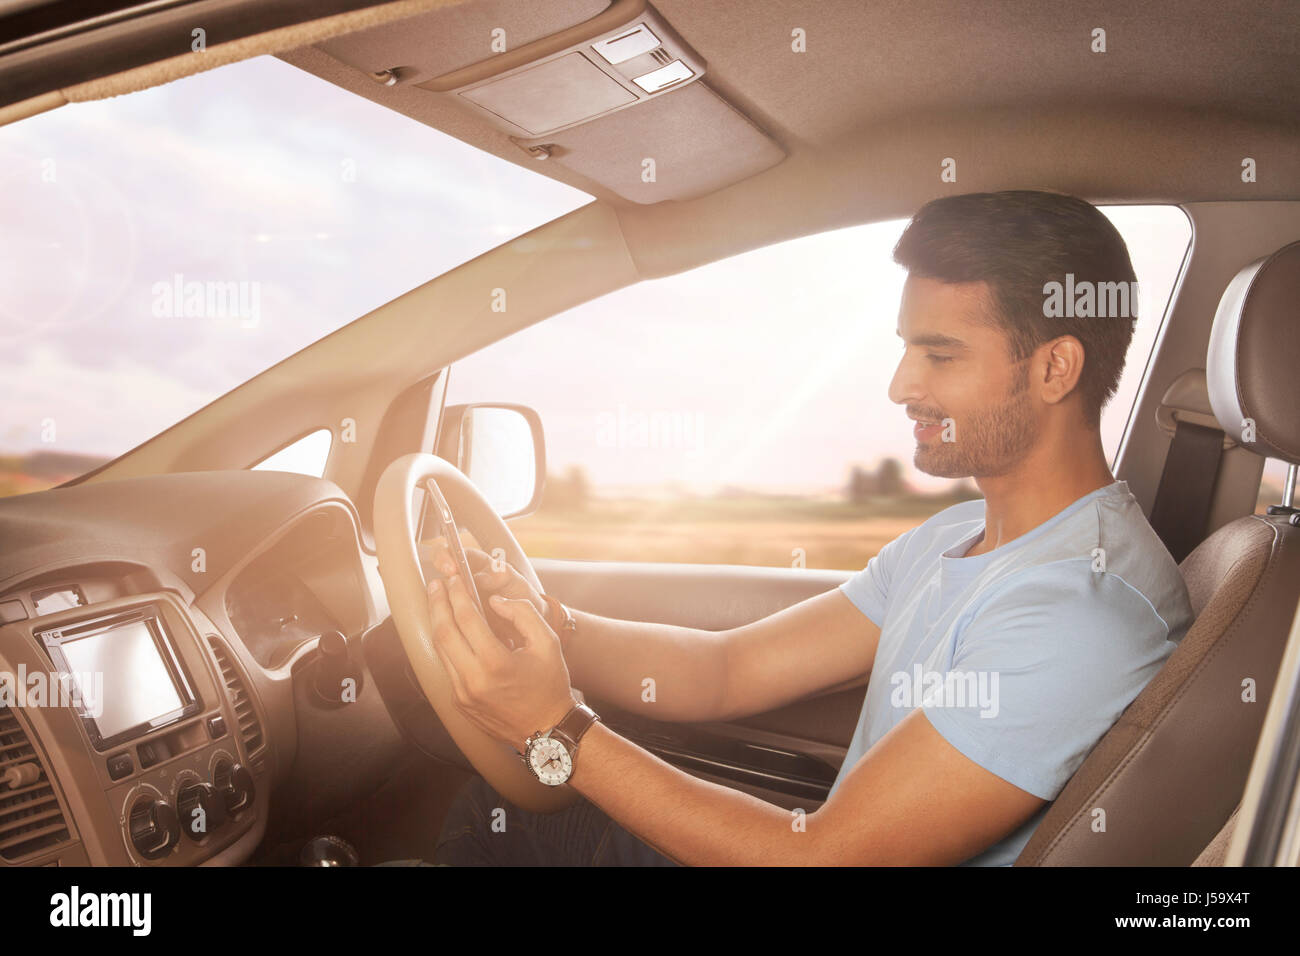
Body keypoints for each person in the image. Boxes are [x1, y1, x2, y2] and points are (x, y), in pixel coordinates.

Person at [425, 190, 1194, 866]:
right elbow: (726, 669)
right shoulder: (957, 535)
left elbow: (828, 859)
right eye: (905, 348)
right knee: (492, 818)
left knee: (504, 825)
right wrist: (553, 625)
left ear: (1055, 369)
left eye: (941, 354)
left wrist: (554, 731)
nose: (901, 385)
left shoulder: (1079, 611)